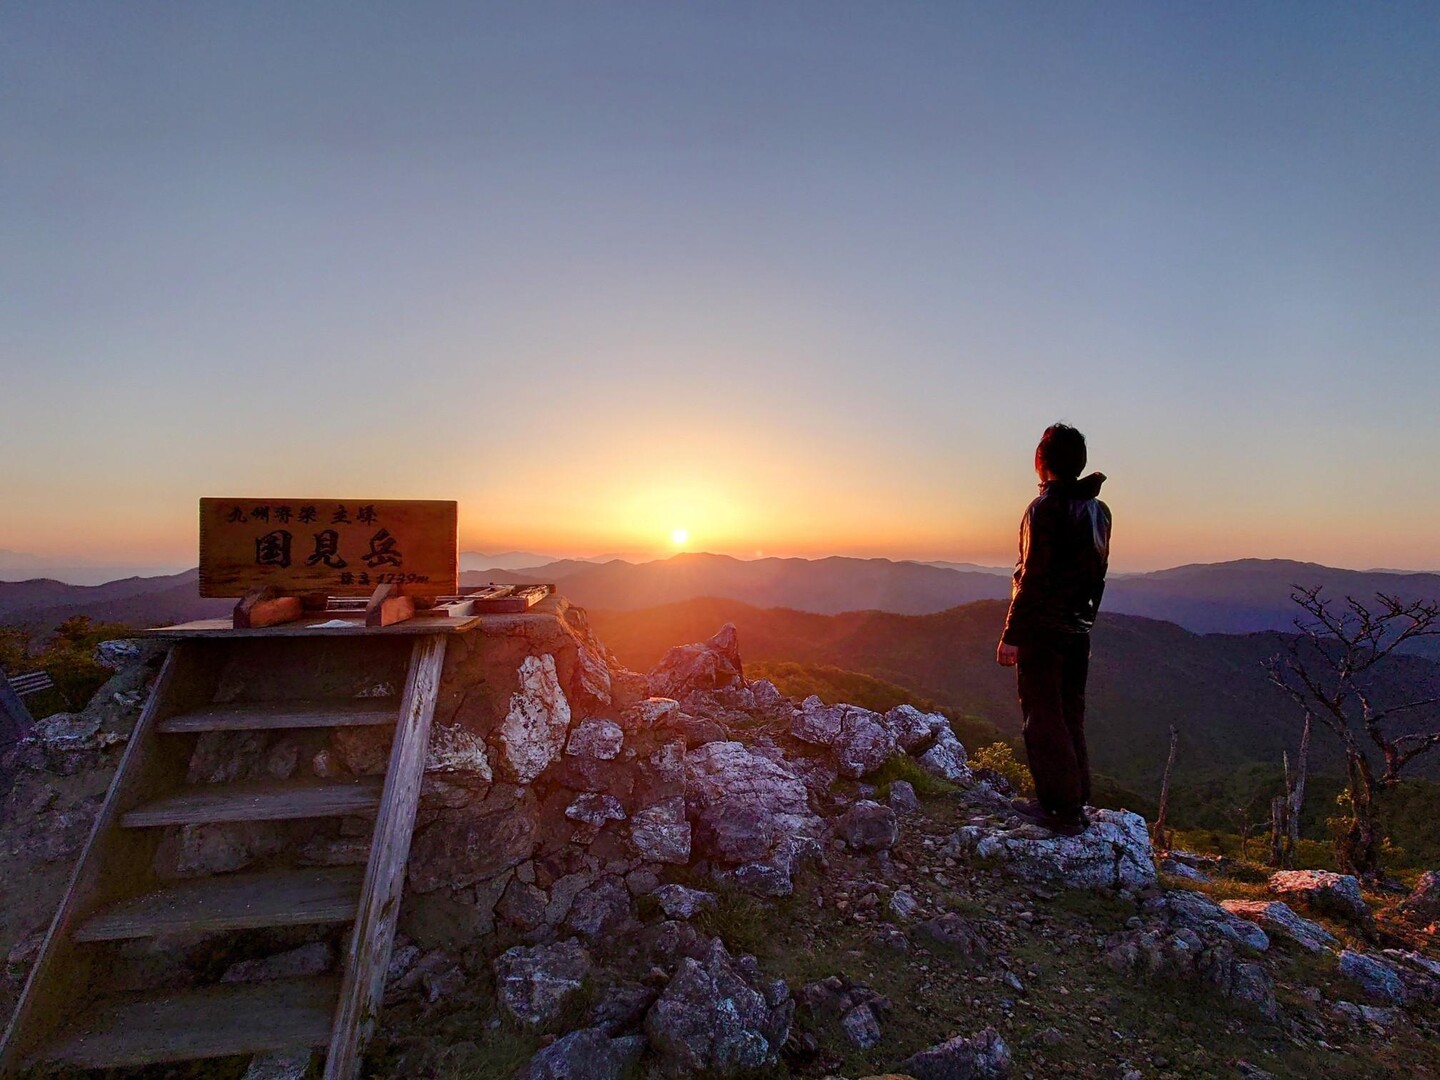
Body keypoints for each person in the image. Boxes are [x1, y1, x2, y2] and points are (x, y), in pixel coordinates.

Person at [995, 423, 1111, 837]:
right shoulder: (1100, 511)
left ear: (1042, 462)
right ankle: (1074, 800)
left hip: (1044, 629)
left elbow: (1032, 578)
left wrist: (1012, 633)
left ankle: (1060, 810)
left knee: (1042, 716)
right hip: (1078, 629)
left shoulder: (1043, 510)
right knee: (1069, 714)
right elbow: (1097, 574)